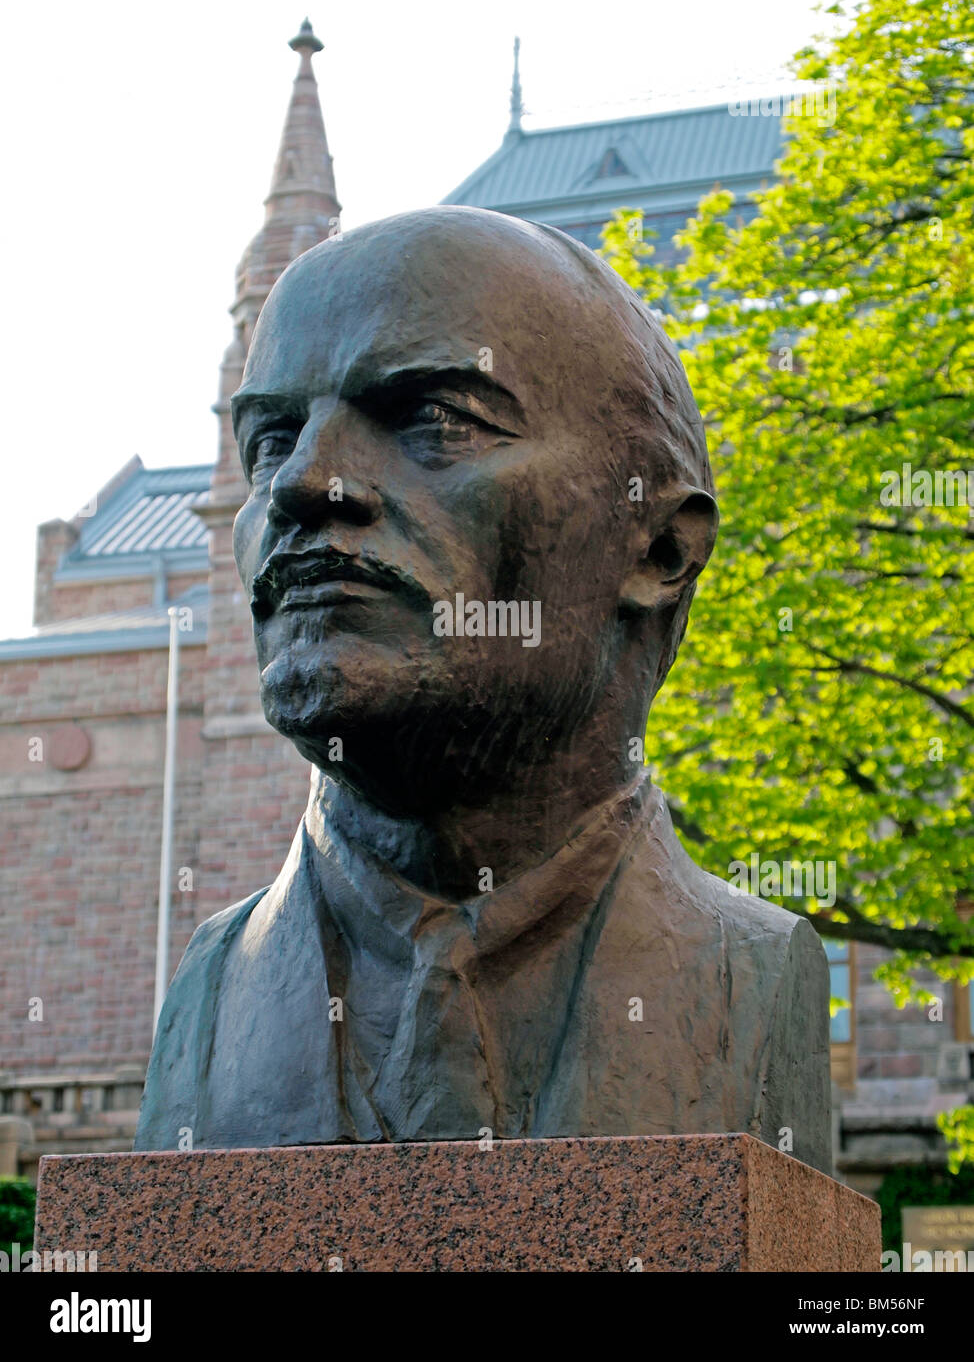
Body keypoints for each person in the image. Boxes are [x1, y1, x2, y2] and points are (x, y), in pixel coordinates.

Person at [135, 206, 831, 1173]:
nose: (303, 485)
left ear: (659, 549)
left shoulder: (746, 973)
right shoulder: (209, 997)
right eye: (271, 440)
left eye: (434, 421)